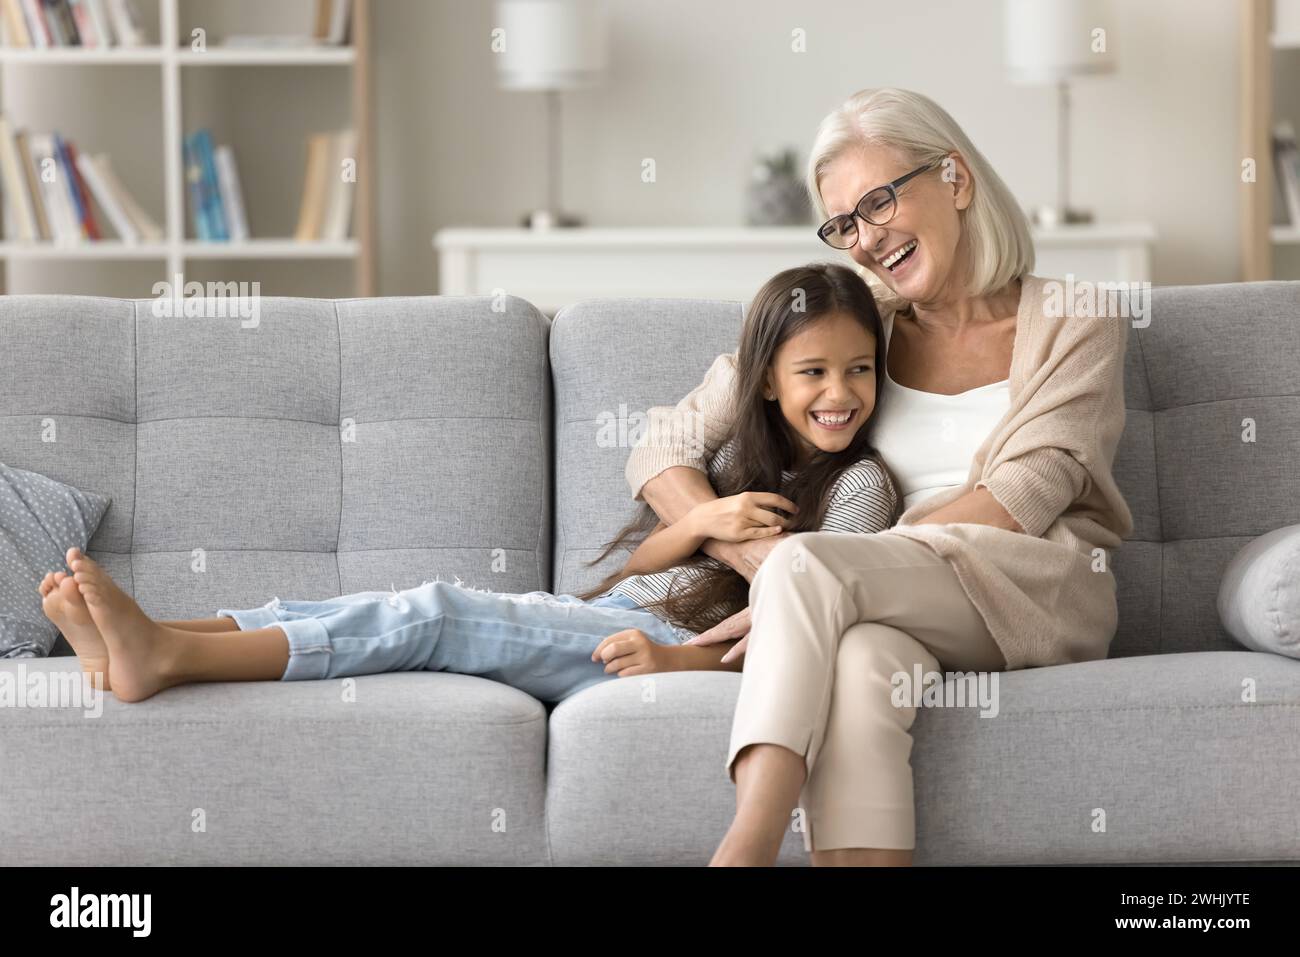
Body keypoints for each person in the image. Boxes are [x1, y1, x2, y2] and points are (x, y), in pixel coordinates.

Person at [625, 87, 1134, 866]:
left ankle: (745, 848)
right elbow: (661, 445)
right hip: (881, 603)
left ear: (955, 180)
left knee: (814, 569)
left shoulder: (1077, 318)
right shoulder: (858, 324)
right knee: (861, 666)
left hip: (1025, 589)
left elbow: (1022, 494)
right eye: (845, 223)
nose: (864, 239)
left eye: (878, 202)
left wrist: (822, 571)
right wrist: (741, 548)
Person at [39, 263, 900, 710]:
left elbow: (805, 624)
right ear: (764, 382)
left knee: (434, 613)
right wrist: (707, 518)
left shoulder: (858, 489)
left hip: (637, 641)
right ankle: (149, 638)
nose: (840, 394)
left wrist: (674, 661)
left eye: (859, 370)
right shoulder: (746, 458)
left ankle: (169, 656)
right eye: (815, 371)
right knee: (394, 607)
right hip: (618, 611)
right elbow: (649, 553)